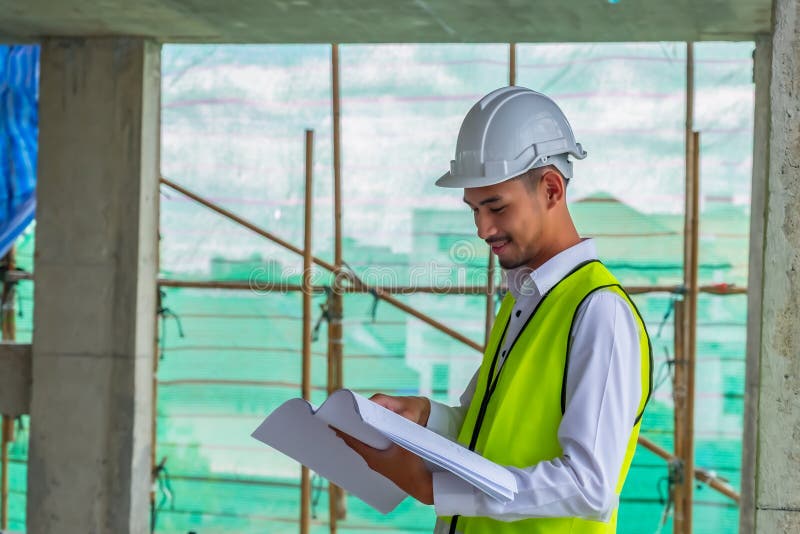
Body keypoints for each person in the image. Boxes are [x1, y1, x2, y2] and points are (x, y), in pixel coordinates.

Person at [336, 86, 653, 534]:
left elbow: (589, 486)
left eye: (496, 207)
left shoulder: (599, 312)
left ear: (551, 189)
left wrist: (435, 489)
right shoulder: (525, 298)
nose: (483, 229)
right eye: (474, 209)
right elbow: (485, 427)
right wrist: (424, 415)